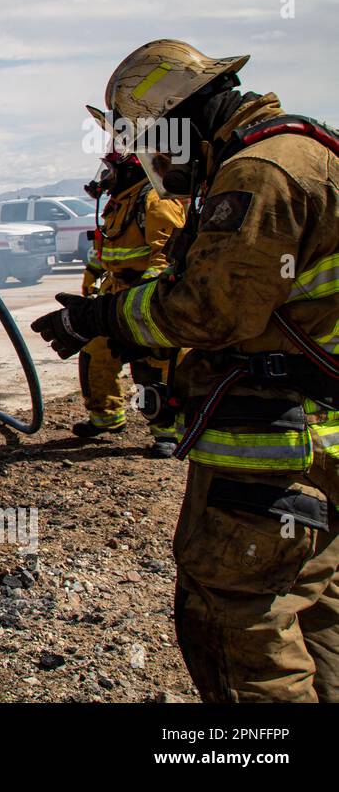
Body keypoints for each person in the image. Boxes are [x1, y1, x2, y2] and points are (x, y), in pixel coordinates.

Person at [33, 39, 339, 701]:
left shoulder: (261, 172)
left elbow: (210, 309)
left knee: (235, 613)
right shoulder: (301, 150)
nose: (158, 164)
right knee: (310, 601)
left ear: (178, 120)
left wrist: (100, 320)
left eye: (153, 144)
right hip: (318, 438)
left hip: (282, 443)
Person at [75, 106, 187, 457]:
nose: (103, 177)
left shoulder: (154, 203)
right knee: (94, 355)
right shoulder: (117, 204)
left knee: (151, 368)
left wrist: (148, 300)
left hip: (145, 301)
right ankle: (106, 418)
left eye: (109, 169)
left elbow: (166, 258)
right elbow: (104, 249)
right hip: (115, 297)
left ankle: (166, 431)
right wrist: (91, 280)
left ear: (129, 169)